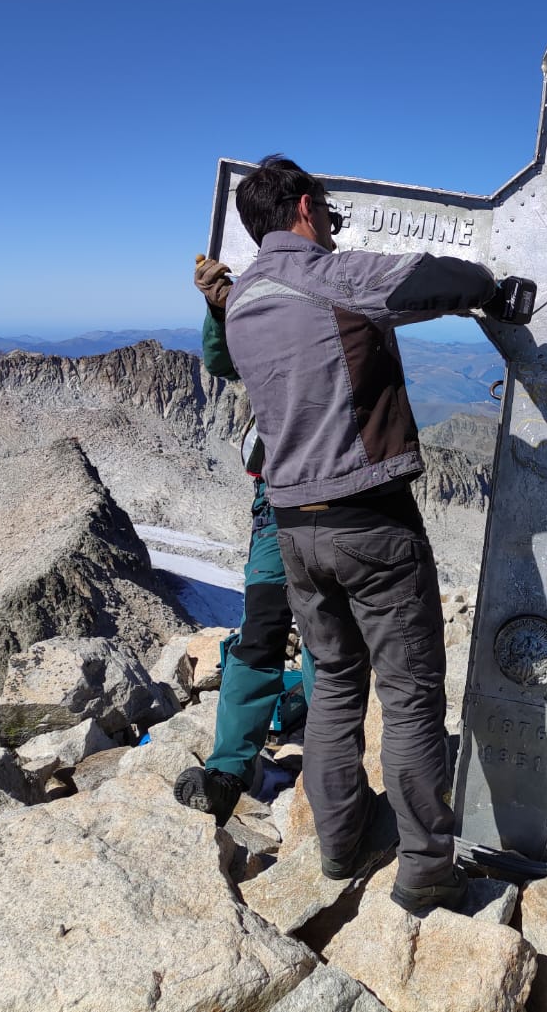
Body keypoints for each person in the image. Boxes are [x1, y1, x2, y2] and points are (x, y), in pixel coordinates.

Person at [221, 154, 529, 914]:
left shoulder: (242, 300)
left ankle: (341, 844)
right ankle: (427, 868)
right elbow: (426, 278)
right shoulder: (325, 275)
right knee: (411, 695)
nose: (332, 223)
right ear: (302, 206)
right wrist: (491, 290)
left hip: (292, 526)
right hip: (370, 517)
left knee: (334, 684)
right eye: (326, 210)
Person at [172, 256, 315, 827]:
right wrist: (218, 310)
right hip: (279, 497)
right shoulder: (275, 292)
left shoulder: (341, 283)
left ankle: (329, 761)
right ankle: (229, 769)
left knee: (326, 629)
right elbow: (222, 359)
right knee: (263, 628)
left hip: (338, 491)